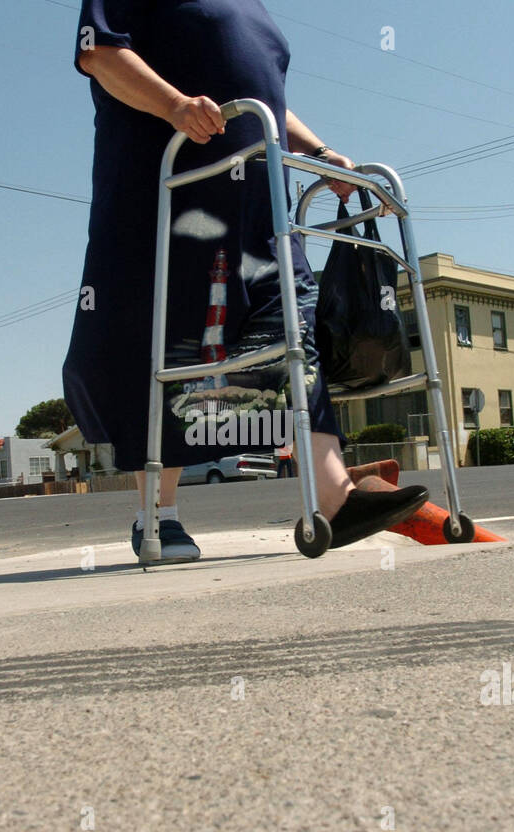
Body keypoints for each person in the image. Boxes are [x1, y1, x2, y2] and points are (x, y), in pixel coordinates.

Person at [64, 0, 427, 563]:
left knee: (291, 329)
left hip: (259, 203)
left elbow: (264, 100)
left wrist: (322, 154)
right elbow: (101, 54)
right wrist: (176, 106)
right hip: (169, 193)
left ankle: (333, 496)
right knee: (171, 337)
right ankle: (158, 516)